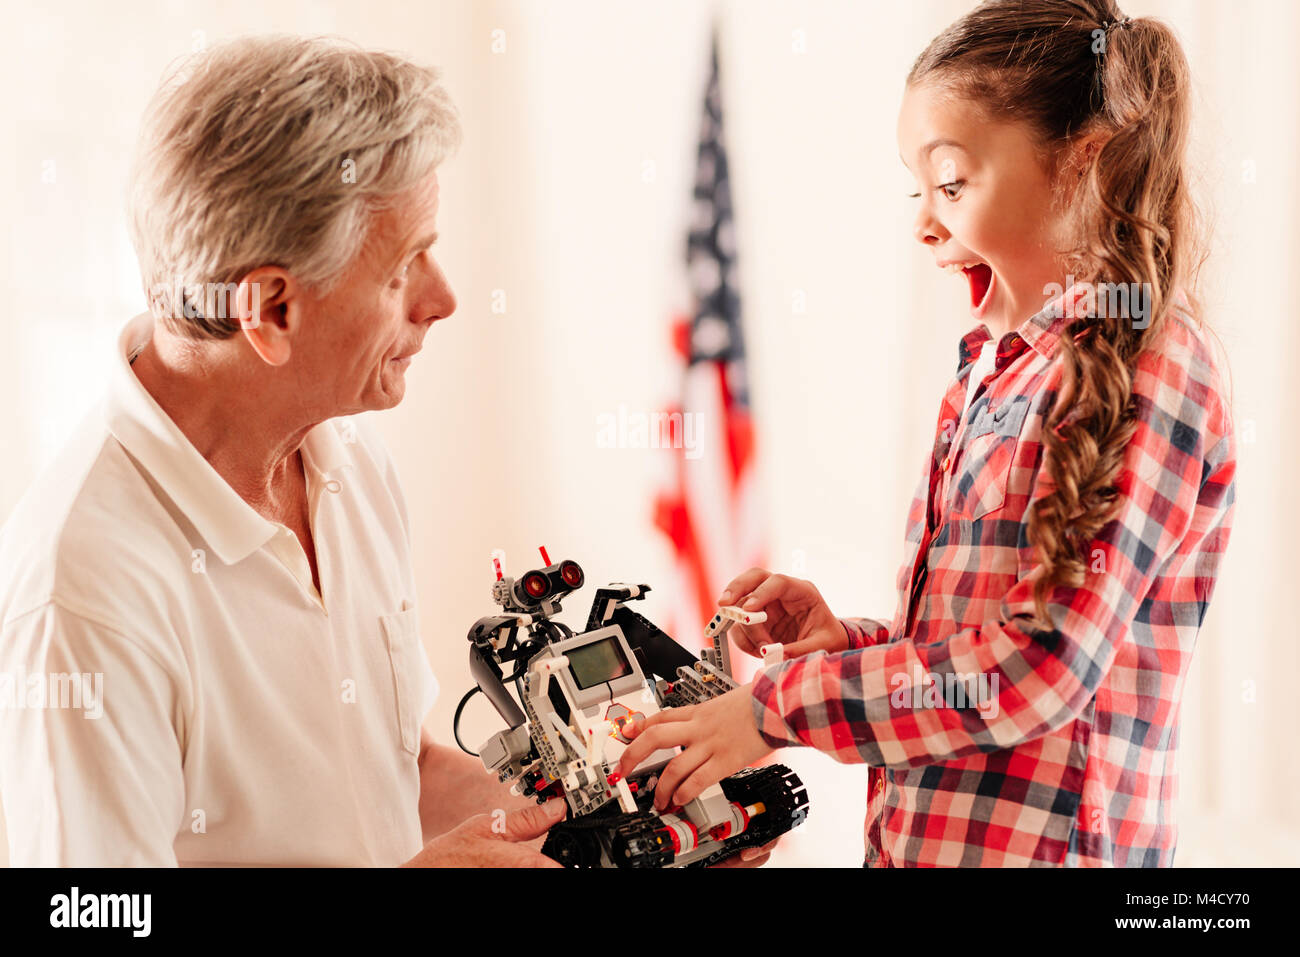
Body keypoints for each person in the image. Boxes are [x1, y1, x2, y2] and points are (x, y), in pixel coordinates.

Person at [0, 34, 771, 869]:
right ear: (270, 309)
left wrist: (631, 826)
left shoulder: (347, 461)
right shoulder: (81, 593)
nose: (443, 298)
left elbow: (393, 776)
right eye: (406, 265)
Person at [620, 0, 1236, 867]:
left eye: (950, 183)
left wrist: (776, 706)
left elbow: (1040, 668)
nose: (923, 221)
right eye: (919, 189)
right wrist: (856, 643)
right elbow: (974, 650)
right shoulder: (989, 371)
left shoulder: (1156, 367)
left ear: (1083, 165)